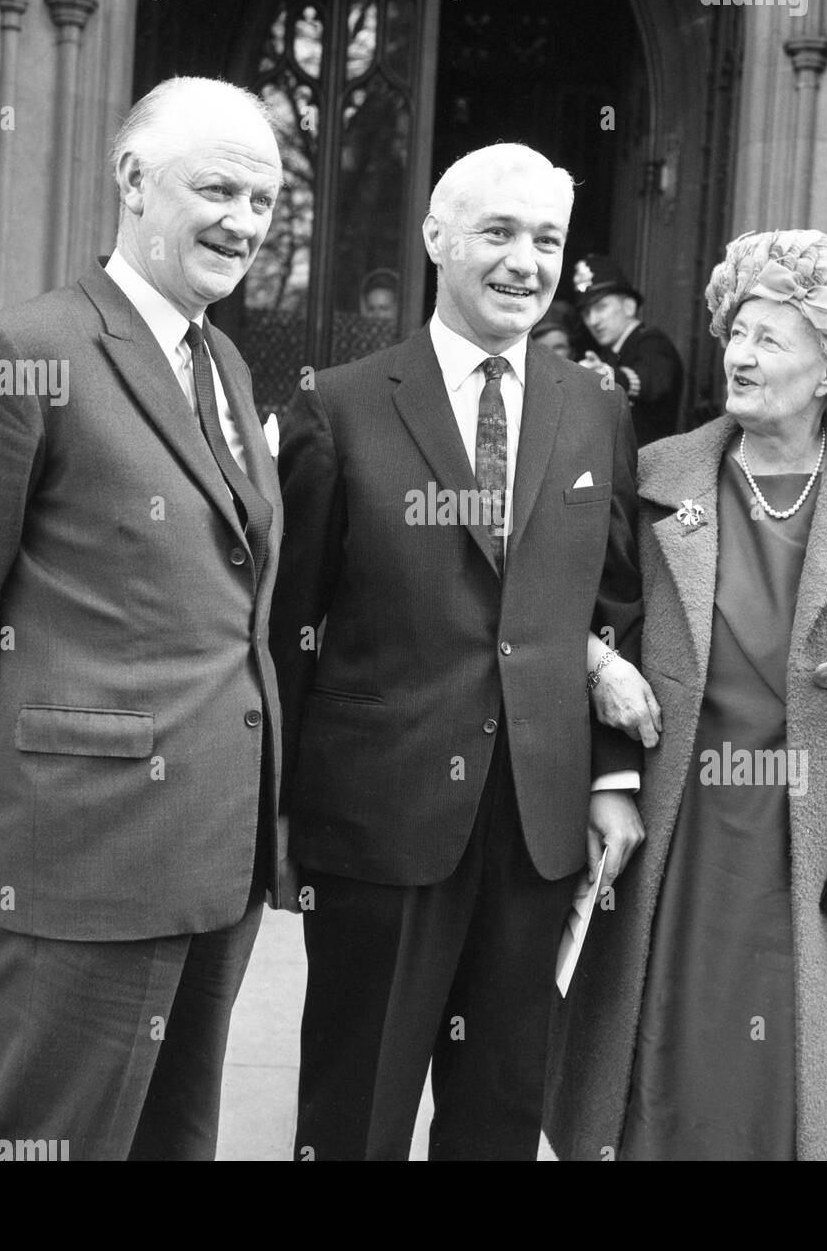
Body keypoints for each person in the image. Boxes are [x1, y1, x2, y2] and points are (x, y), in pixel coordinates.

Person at [0, 76, 286, 1161]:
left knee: (167, 1146)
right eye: (218, 189)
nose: (244, 221)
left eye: (265, 200)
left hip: (211, 861)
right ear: (132, 180)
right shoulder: (24, 351)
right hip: (79, 859)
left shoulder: (223, 361)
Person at [545, 228, 827, 1161]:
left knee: (802, 1068)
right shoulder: (659, 474)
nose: (740, 354)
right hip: (683, 818)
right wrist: (596, 677)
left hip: (823, 830)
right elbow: (571, 610)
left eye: (771, 339)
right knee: (664, 1038)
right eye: (737, 331)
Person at [270, 143, 649, 1161]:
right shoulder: (339, 406)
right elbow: (286, 632)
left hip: (535, 829)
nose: (525, 261)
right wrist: (273, 822)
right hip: (379, 826)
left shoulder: (597, 409)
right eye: (499, 232)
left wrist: (612, 769)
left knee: (496, 1117)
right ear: (438, 238)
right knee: (356, 1112)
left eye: (547, 239)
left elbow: (617, 604)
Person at [574, 253, 683, 444]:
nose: (592, 320)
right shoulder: (608, 354)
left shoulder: (653, 343)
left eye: (600, 307)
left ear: (629, 307)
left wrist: (606, 376)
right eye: (586, 312)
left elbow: (650, 381)